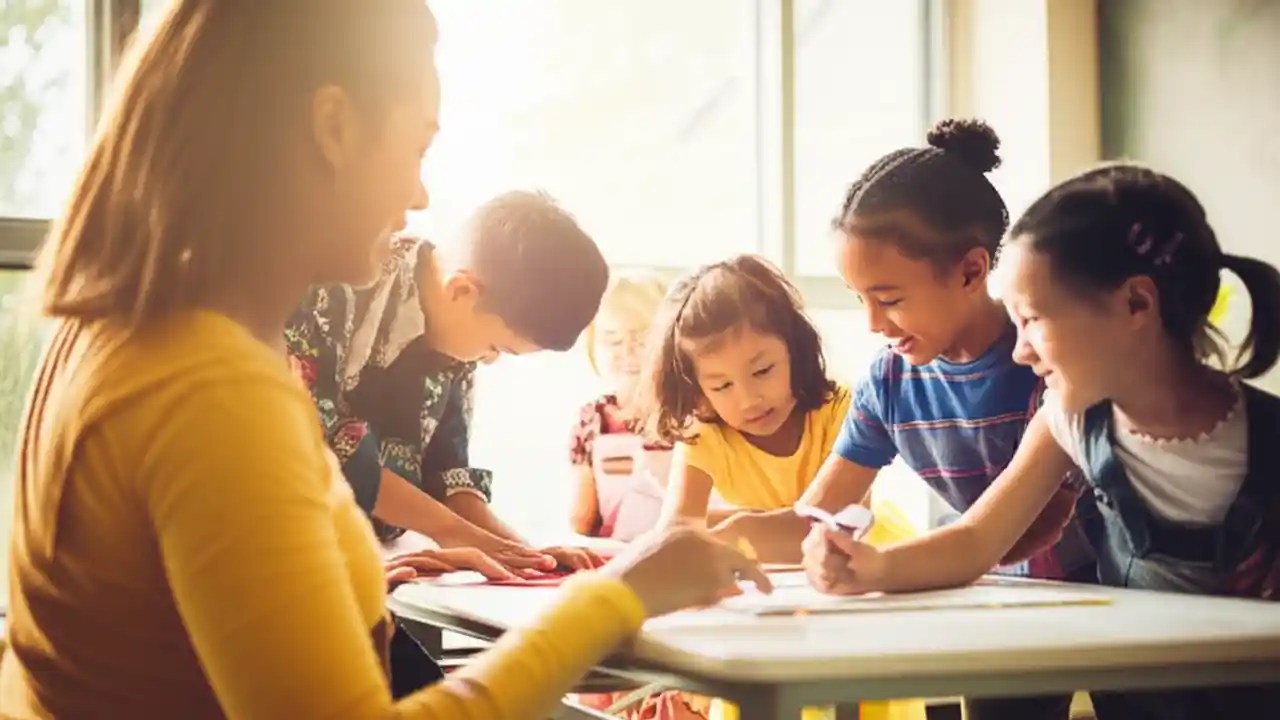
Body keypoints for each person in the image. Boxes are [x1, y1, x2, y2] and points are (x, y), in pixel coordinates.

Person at [0, 2, 768, 717]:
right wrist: (620, 595)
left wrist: (386, 567)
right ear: (333, 126)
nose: (420, 193)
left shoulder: (120, 328)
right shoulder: (214, 384)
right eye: (417, 145)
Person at [803, 163, 1280, 719]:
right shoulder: (1069, 421)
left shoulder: (1265, 435)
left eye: (1032, 321)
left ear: (1135, 305)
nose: (1020, 351)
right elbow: (976, 540)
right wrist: (875, 567)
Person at [712, 120, 1092, 720]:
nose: (872, 323)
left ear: (970, 271)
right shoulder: (890, 383)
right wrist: (709, 541)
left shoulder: (1045, 364)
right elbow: (812, 517)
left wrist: (882, 567)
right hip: (1007, 607)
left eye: (888, 299)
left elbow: (1013, 536)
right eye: (858, 297)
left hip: (1111, 593)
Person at [641, 254, 923, 720]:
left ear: (793, 349)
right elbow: (674, 536)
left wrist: (727, 534)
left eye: (762, 371)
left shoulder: (840, 409)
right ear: (696, 391)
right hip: (770, 588)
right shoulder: (704, 435)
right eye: (721, 385)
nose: (748, 399)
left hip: (856, 577)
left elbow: (830, 531)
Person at [287, 190, 607, 573]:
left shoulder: (457, 324)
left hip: (376, 558)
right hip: (283, 547)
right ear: (461, 291)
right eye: (495, 346)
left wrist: (530, 555)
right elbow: (321, 446)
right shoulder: (337, 285)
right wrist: (447, 530)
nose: (489, 360)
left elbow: (447, 469)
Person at [568, 271, 676, 540]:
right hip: (615, 553)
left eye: (641, 340)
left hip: (678, 549)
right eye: (613, 340)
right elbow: (582, 518)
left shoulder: (687, 416)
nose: (627, 351)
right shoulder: (592, 421)